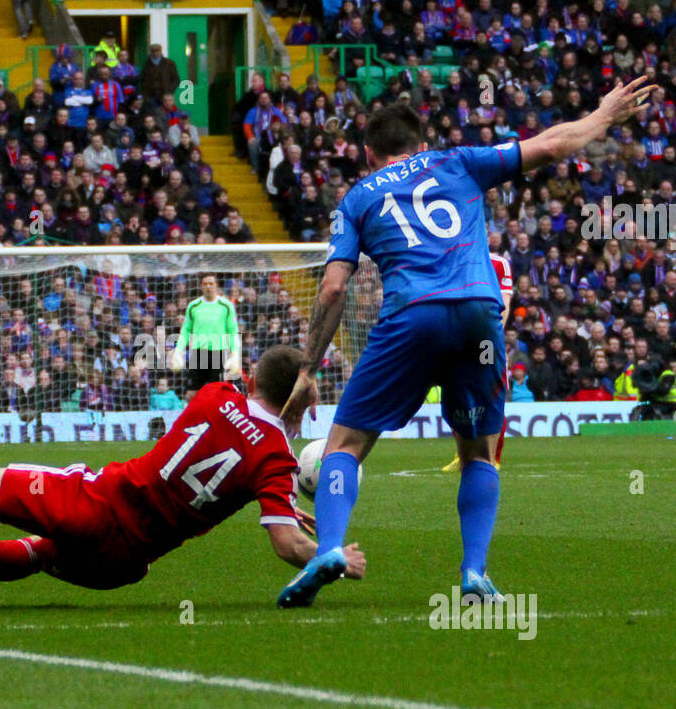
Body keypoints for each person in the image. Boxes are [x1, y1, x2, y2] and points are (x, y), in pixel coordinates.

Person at [276, 78, 654, 608]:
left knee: (344, 448)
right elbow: (551, 144)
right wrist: (603, 114)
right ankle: (474, 573)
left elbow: (335, 286)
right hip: (479, 313)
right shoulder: (458, 161)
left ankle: (330, 549)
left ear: (368, 154)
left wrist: (309, 368)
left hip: (411, 316)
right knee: (478, 454)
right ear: (421, 144)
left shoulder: (356, 199)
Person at [0, 346, 365, 592]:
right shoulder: (277, 464)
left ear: (253, 379)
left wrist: (286, 400)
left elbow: (253, 400)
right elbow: (288, 546)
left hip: (97, 501)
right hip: (126, 563)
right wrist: (333, 556)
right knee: (42, 551)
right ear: (305, 405)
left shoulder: (216, 394)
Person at [442, 248, 514, 472]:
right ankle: (461, 453)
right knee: (457, 394)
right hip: (457, 336)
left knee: (490, 394)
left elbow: (505, 304)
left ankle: (495, 456)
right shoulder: (450, 259)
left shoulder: (499, 263)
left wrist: (490, 333)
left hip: (487, 341)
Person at [170, 274, 240, 400]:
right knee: (191, 394)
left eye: (211, 283)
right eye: (205, 284)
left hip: (218, 353)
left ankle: (215, 419)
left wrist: (235, 353)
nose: (208, 286)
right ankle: (196, 418)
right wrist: (178, 351)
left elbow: (233, 331)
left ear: (216, 286)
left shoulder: (226, 306)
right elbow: (185, 330)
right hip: (198, 353)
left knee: (218, 394)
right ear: (201, 286)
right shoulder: (193, 306)